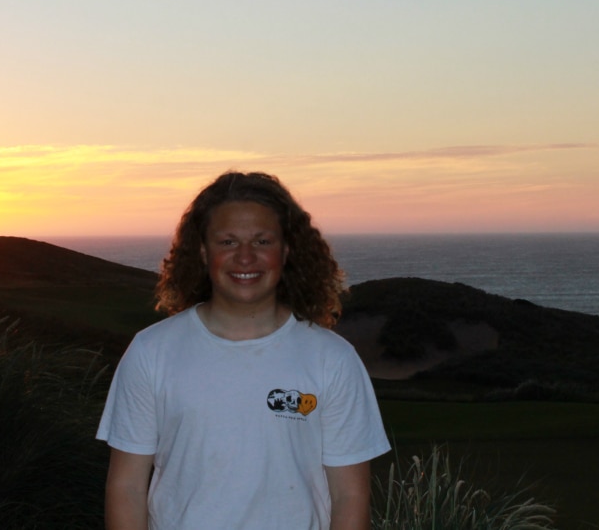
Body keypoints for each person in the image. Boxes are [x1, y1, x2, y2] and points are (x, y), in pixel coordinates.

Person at [96, 171, 390, 530]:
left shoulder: (333, 359)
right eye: (228, 242)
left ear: (286, 250)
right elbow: (126, 487)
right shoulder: (151, 351)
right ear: (203, 252)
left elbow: (350, 496)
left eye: (263, 241)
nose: (246, 258)